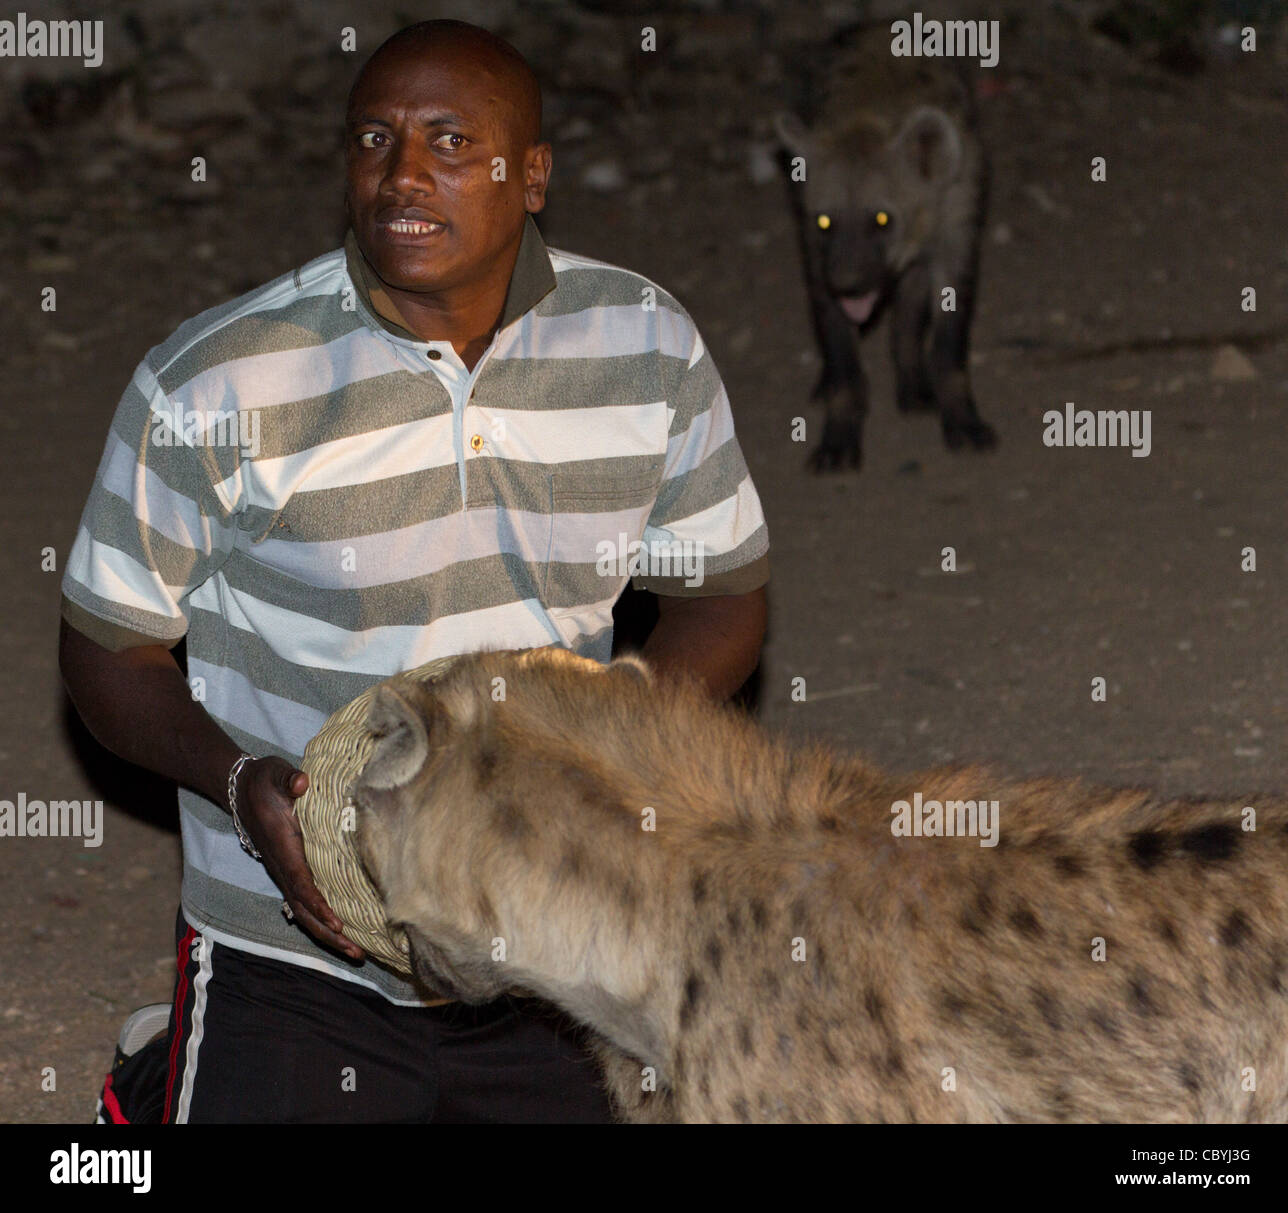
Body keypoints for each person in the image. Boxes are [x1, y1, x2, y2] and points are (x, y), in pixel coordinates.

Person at [59, 19, 768, 1123]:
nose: (401, 176)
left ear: (530, 175)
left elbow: (722, 595)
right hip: (295, 943)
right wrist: (245, 787)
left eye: (449, 142)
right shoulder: (222, 380)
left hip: (544, 930)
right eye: (374, 140)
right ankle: (162, 1080)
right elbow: (108, 656)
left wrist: (615, 728)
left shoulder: (642, 345)